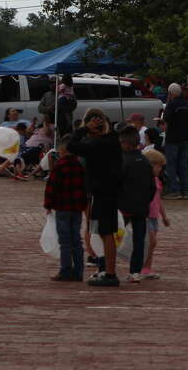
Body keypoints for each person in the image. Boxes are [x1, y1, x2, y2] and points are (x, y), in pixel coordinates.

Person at [68, 108, 123, 286]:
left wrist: (83, 129)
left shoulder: (97, 144)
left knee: (105, 232)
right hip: (109, 191)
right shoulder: (113, 140)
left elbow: (72, 146)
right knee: (103, 231)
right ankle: (106, 269)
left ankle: (110, 273)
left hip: (102, 193)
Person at [43, 135, 87, 281]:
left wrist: (48, 204)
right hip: (77, 208)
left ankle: (66, 269)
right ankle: (79, 270)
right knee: (76, 239)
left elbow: (52, 187)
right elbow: (84, 187)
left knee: (65, 240)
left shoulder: (60, 166)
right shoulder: (79, 165)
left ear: (63, 149)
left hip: (63, 207)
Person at [118, 125, 155, 284]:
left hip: (124, 208)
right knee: (139, 241)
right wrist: (145, 201)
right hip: (141, 207)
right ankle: (135, 271)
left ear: (125, 143)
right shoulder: (146, 161)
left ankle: (105, 267)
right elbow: (152, 187)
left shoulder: (123, 161)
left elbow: (117, 183)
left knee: (112, 238)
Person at [160, 83, 188, 200]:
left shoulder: (172, 104)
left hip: (173, 139)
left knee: (171, 165)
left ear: (170, 93)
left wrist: (169, 102)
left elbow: (165, 118)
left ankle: (175, 190)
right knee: (184, 165)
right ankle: (185, 190)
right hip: (185, 138)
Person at [141, 149, 170, 279]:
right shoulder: (143, 180)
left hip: (154, 217)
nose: (160, 170)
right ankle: (141, 266)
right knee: (151, 241)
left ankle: (147, 268)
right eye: (159, 167)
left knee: (150, 245)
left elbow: (158, 200)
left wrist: (164, 216)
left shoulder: (157, 180)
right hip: (145, 215)